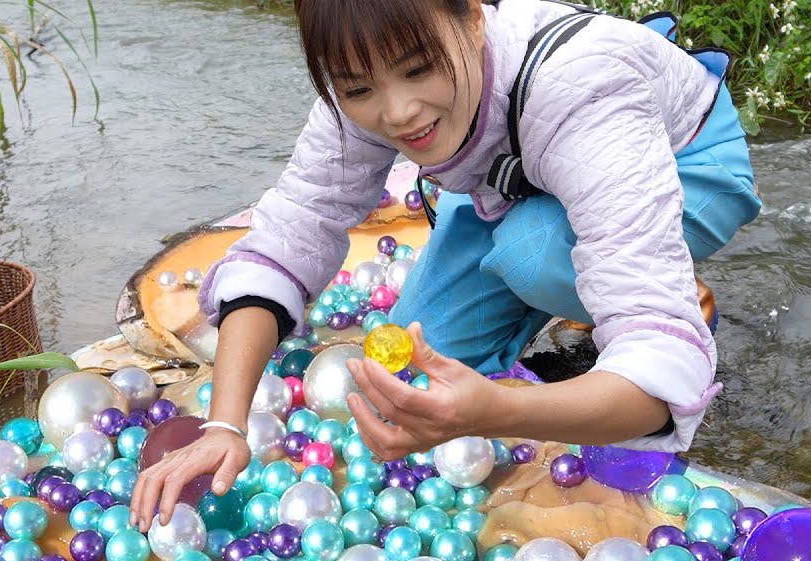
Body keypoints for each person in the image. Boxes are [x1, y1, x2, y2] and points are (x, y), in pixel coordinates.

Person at [129, 0, 761, 531]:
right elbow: (291, 230)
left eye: (417, 70)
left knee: (532, 252)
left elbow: (659, 381)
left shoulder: (585, 87)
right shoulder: (364, 92)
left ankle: (658, 283)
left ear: (472, 17)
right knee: (407, 374)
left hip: (681, 161)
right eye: (358, 88)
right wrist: (223, 423)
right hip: (513, 176)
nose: (397, 112)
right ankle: (587, 267)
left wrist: (498, 411)